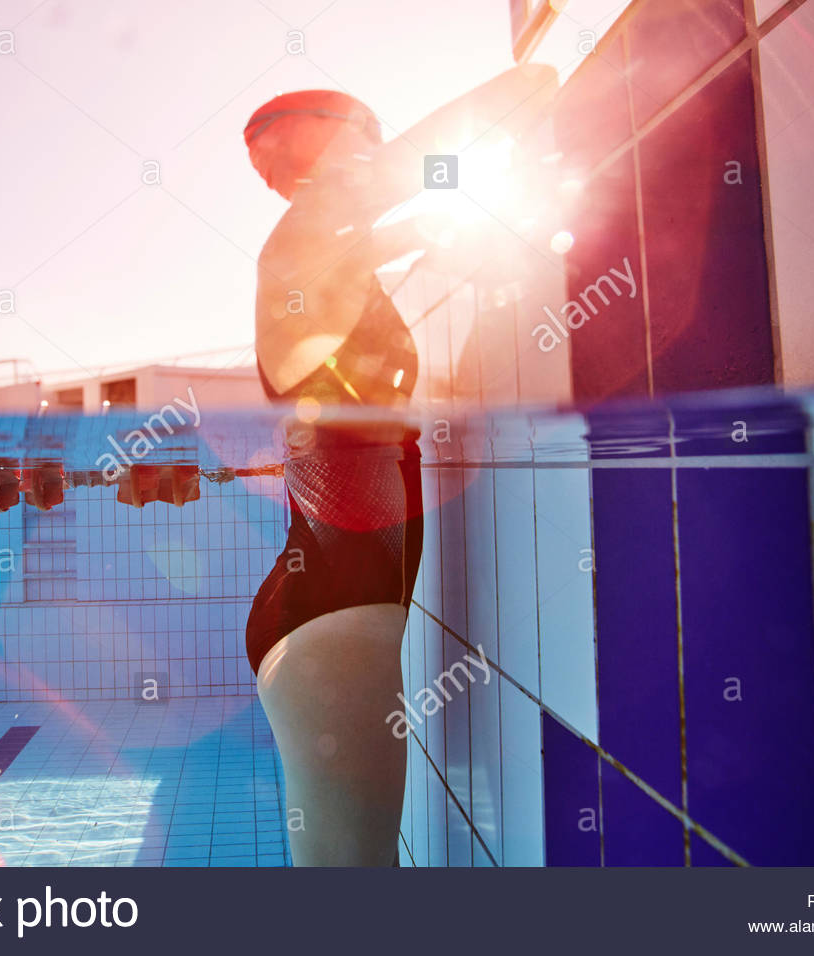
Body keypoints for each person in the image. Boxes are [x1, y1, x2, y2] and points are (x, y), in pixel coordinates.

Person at [242, 66, 557, 866]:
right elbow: (407, 170)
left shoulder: (326, 259)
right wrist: (531, 85)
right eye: (362, 140)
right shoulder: (299, 243)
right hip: (332, 624)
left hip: (330, 610)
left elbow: (396, 229)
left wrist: (446, 231)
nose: (371, 157)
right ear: (322, 142)